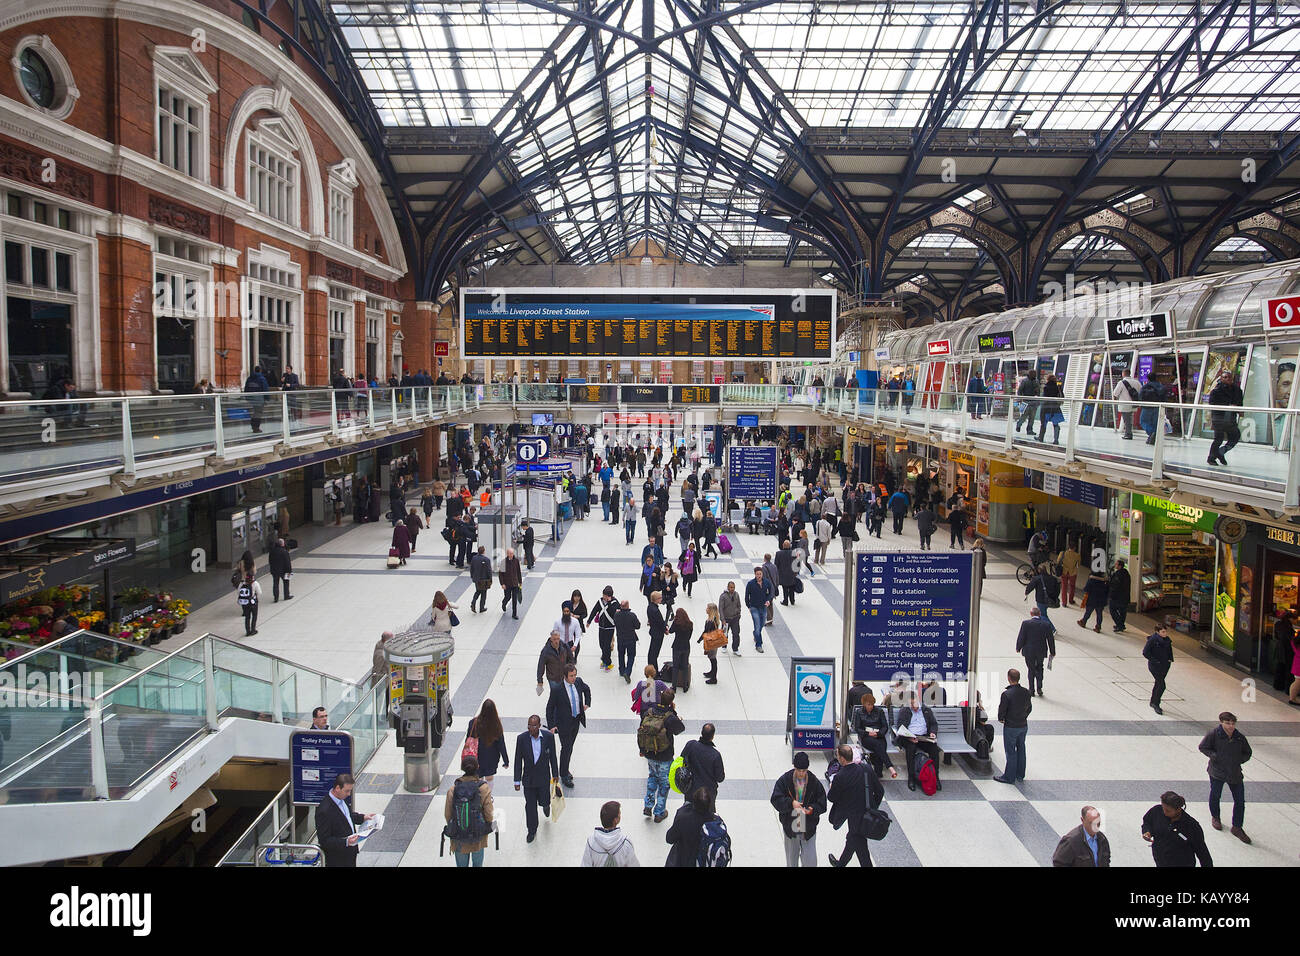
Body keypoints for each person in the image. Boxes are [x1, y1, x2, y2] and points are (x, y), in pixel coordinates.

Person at [1198, 711, 1252, 843]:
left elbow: (1248, 752)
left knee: (1240, 801)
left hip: (1234, 772)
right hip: (1217, 772)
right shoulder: (1214, 734)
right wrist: (1215, 756)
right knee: (1216, 794)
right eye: (1227, 723)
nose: (1230, 726)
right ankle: (1215, 817)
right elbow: (1203, 747)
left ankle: (1237, 827)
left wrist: (1239, 760)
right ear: (1221, 722)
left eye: (1233, 723)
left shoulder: (1239, 737)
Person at [827, 743, 884, 867]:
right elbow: (880, 791)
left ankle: (840, 865)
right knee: (855, 841)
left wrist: (832, 787)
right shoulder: (866, 769)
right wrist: (873, 808)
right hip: (867, 814)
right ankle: (840, 864)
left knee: (858, 844)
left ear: (842, 758)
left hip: (853, 818)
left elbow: (831, 798)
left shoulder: (840, 777)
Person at [770, 751, 827, 867]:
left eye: (804, 771)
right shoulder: (785, 780)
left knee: (810, 861)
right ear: (794, 767)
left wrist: (811, 809)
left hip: (808, 826)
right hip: (791, 825)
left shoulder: (814, 782)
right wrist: (791, 803)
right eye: (799, 770)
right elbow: (776, 799)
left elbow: (822, 803)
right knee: (792, 861)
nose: (801, 773)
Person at [638, 686, 685, 823]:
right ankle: (659, 812)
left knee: (652, 777)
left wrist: (641, 749)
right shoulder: (669, 717)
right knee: (664, 784)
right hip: (664, 756)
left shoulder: (649, 712)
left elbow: (641, 730)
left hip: (650, 754)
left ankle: (648, 805)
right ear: (671, 702)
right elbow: (679, 729)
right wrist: (674, 711)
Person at [513, 715, 560, 843]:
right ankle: (532, 830)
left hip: (544, 778)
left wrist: (555, 774)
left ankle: (546, 805)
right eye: (529, 725)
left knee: (544, 801)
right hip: (528, 780)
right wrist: (517, 780)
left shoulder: (548, 737)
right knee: (530, 806)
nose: (530, 728)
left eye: (533, 725)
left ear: (539, 726)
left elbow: (553, 757)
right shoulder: (522, 739)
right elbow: (518, 760)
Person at [315, 772, 375, 867]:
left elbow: (347, 816)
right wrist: (346, 842)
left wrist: (363, 817)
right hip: (337, 859)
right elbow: (324, 840)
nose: (349, 794)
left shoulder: (341, 799)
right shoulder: (324, 811)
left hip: (349, 854)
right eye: (347, 791)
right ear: (338, 788)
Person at [546, 664, 590, 790]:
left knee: (569, 747)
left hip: (576, 721)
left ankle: (565, 769)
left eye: (575, 675)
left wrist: (587, 703)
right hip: (564, 724)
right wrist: (552, 725)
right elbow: (550, 707)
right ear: (565, 676)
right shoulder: (557, 689)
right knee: (566, 748)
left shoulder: (578, 682)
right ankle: (564, 774)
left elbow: (587, 689)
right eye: (571, 676)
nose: (574, 678)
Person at [444, 756, 494, 867]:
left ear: (462, 768)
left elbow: (448, 814)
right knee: (477, 863)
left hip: (459, 835)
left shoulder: (453, 789)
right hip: (478, 834)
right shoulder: (483, 788)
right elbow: (489, 813)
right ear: (477, 767)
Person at [1142, 791, 1212, 867]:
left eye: (1168, 810)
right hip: (1161, 861)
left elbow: (1202, 852)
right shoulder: (1156, 811)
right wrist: (1147, 832)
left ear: (1178, 809)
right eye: (1163, 808)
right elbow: (1148, 822)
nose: (1164, 812)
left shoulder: (1191, 826)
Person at [895, 692, 941, 792]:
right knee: (911, 749)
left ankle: (935, 776)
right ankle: (911, 777)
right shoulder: (905, 710)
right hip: (909, 737)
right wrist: (909, 737)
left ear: (918, 700)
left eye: (914, 704)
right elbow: (900, 727)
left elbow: (933, 724)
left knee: (934, 749)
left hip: (923, 737)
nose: (913, 707)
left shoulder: (926, 710)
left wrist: (933, 732)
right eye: (910, 705)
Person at [993, 668, 1032, 784]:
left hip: (1011, 726)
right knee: (1021, 749)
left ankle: (1009, 776)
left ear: (1009, 678)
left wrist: (1001, 719)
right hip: (1023, 725)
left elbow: (1002, 711)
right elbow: (1029, 708)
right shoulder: (1026, 692)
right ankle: (1020, 774)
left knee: (1010, 751)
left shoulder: (1006, 694)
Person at [665, 787, 717, 867]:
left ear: (694, 801)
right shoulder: (715, 822)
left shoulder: (684, 818)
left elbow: (669, 838)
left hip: (684, 860)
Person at [581, 801, 640, 867]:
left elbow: (585, 864)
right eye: (619, 814)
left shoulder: (591, 842)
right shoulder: (626, 843)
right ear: (616, 820)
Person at [466, 699, 509, 789]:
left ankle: (479, 796)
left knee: (478, 777)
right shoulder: (496, 724)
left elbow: (468, 739)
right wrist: (506, 760)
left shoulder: (473, 723)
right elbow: (501, 744)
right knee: (489, 777)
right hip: (491, 756)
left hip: (476, 755)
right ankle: (488, 796)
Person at [853, 692, 896, 780]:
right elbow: (857, 728)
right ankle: (889, 767)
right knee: (879, 746)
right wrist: (868, 733)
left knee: (878, 747)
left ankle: (878, 773)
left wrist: (878, 733)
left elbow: (885, 726)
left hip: (879, 735)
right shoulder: (859, 712)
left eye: (872, 704)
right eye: (868, 704)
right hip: (866, 737)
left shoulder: (879, 711)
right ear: (864, 704)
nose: (870, 706)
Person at [1015, 607, 1056, 697]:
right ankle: (1039, 687)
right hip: (1041, 651)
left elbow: (1022, 636)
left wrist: (1018, 647)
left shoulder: (1026, 624)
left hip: (1029, 651)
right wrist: (1052, 651)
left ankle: (1031, 689)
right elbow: (1050, 639)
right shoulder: (1046, 624)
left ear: (1031, 614)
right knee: (1040, 667)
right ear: (1040, 614)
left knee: (1031, 669)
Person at [1206, 369, 1243, 465]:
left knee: (1235, 436)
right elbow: (1212, 403)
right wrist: (1228, 406)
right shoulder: (1216, 391)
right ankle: (1211, 458)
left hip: (1230, 417)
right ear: (1221, 379)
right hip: (1219, 417)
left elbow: (1239, 403)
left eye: (1229, 377)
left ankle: (1220, 452)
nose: (1228, 379)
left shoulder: (1237, 390)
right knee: (1218, 438)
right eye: (1225, 377)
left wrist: (1240, 411)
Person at [681, 723, 725, 802]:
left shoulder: (691, 745)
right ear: (712, 736)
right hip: (707, 794)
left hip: (690, 789)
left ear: (701, 732)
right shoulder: (715, 755)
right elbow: (720, 778)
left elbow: (681, 761)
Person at [1143, 625, 1174, 715]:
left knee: (1158, 683)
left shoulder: (1167, 640)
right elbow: (1145, 652)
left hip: (1165, 665)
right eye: (1163, 632)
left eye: (1165, 631)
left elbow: (1169, 651)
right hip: (1155, 666)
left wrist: (1170, 659)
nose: (1165, 634)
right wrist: (1154, 660)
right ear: (1157, 632)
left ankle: (1153, 701)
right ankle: (1156, 703)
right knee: (1161, 685)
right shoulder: (1152, 640)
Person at [611, 599, 640, 683]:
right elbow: (638, 626)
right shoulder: (632, 615)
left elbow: (615, 623)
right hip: (630, 639)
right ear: (627, 606)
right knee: (631, 655)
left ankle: (621, 670)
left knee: (621, 654)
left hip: (620, 638)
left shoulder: (616, 615)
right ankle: (627, 672)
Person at [537, 629, 574, 694]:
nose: (556, 641)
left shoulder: (564, 646)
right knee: (555, 694)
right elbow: (541, 666)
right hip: (553, 678)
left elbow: (570, 658)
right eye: (554, 639)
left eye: (558, 639)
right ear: (551, 639)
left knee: (564, 694)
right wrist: (540, 681)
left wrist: (571, 670)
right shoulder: (546, 651)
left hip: (564, 677)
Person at [698, 604, 725, 684]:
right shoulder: (714, 619)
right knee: (712, 658)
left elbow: (706, 632)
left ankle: (714, 678)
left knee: (712, 659)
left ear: (710, 610)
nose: (706, 609)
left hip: (711, 642)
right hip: (713, 641)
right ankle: (712, 673)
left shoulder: (710, 621)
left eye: (707, 608)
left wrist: (699, 639)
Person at [1025, 561, 1057, 626]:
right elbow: (1057, 589)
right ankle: (1042, 625)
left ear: (1039, 571)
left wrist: (1026, 592)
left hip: (1041, 600)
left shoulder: (1037, 578)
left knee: (1042, 615)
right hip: (1051, 598)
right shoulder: (1053, 578)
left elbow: (1030, 586)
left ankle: (1052, 628)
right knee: (1043, 613)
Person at [669, 607, 693, 692]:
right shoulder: (690, 624)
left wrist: (674, 621)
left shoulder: (676, 623)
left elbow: (671, 631)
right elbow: (689, 636)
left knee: (675, 666)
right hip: (686, 646)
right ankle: (685, 686)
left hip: (677, 646)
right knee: (685, 666)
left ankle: (674, 686)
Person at [1112, 370, 1141, 440]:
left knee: (1126, 419)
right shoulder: (1137, 382)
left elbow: (1115, 393)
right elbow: (1140, 391)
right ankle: (1129, 432)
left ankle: (1128, 433)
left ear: (1123, 374)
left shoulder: (1121, 383)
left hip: (1124, 404)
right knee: (1130, 418)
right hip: (1134, 403)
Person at [1038, 373, 1065, 444]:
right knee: (1056, 424)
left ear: (1048, 379)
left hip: (1046, 408)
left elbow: (1044, 397)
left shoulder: (1046, 387)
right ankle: (1056, 439)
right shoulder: (1057, 387)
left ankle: (1041, 438)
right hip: (1055, 408)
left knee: (1043, 423)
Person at [1139, 372, 1166, 444]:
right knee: (1155, 423)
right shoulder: (1161, 386)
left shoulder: (1146, 386)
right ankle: (1153, 437)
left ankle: (1151, 433)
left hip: (1147, 407)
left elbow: (1140, 396)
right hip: (1158, 407)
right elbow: (1164, 397)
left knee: (1143, 421)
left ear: (1148, 379)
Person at [719, 581, 743, 655]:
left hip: (735, 618)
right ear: (728, 587)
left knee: (736, 633)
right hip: (726, 618)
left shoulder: (736, 595)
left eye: (733, 587)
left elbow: (739, 605)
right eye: (731, 587)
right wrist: (722, 619)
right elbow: (720, 608)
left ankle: (735, 648)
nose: (732, 589)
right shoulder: (723, 596)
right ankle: (724, 646)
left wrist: (738, 613)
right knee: (725, 633)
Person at [645, 591, 667, 672]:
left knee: (652, 652)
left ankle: (652, 669)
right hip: (658, 634)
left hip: (654, 632)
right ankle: (654, 671)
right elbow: (660, 622)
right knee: (654, 654)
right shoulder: (655, 610)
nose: (661, 599)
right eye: (660, 598)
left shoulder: (650, 607)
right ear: (656, 599)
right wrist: (665, 629)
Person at [243, 365, 269, 433]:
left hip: (251, 398)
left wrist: (247, 397)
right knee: (258, 412)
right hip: (259, 399)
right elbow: (265, 389)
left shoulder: (249, 378)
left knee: (255, 412)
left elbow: (246, 388)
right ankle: (256, 427)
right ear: (260, 370)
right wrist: (266, 398)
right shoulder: (262, 378)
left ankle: (254, 425)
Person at [499, 547, 522, 620]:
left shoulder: (516, 561)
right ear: (507, 554)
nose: (512, 555)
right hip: (507, 584)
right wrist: (502, 584)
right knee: (508, 597)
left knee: (514, 599)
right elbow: (500, 574)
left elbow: (518, 572)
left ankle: (514, 614)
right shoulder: (503, 562)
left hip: (515, 584)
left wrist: (520, 582)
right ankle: (504, 603)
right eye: (510, 553)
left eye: (512, 553)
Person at [1109, 559, 1132, 632]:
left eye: (1116, 564)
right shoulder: (1126, 573)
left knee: (1112, 610)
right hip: (1125, 597)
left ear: (1119, 566)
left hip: (1117, 597)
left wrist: (1111, 594)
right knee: (1123, 612)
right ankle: (1121, 625)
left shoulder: (1118, 575)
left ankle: (1120, 625)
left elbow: (1115, 586)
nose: (1115, 565)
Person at [468, 545, 492, 612]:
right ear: (483, 551)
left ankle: (473, 602)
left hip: (476, 579)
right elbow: (489, 570)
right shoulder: (487, 560)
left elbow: (471, 568)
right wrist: (490, 579)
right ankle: (481, 607)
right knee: (483, 593)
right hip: (484, 579)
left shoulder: (474, 558)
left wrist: (472, 576)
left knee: (478, 591)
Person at [268, 538, 292, 602]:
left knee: (275, 583)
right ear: (282, 544)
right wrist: (289, 571)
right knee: (286, 582)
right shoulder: (284, 551)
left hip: (274, 570)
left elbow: (270, 561)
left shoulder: (272, 551)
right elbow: (287, 562)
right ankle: (286, 595)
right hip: (283, 571)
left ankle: (276, 598)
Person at [774, 540, 798, 606]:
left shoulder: (778, 553)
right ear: (790, 546)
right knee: (791, 588)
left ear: (783, 546)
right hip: (792, 573)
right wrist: (796, 572)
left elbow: (776, 564)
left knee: (785, 588)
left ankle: (785, 601)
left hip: (782, 574)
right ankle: (792, 600)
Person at [237, 571, 261, 636]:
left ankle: (247, 631)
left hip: (245, 603)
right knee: (254, 616)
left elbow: (238, 592)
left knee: (247, 617)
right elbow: (259, 592)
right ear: (252, 577)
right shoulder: (255, 583)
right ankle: (253, 630)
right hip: (253, 602)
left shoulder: (242, 583)